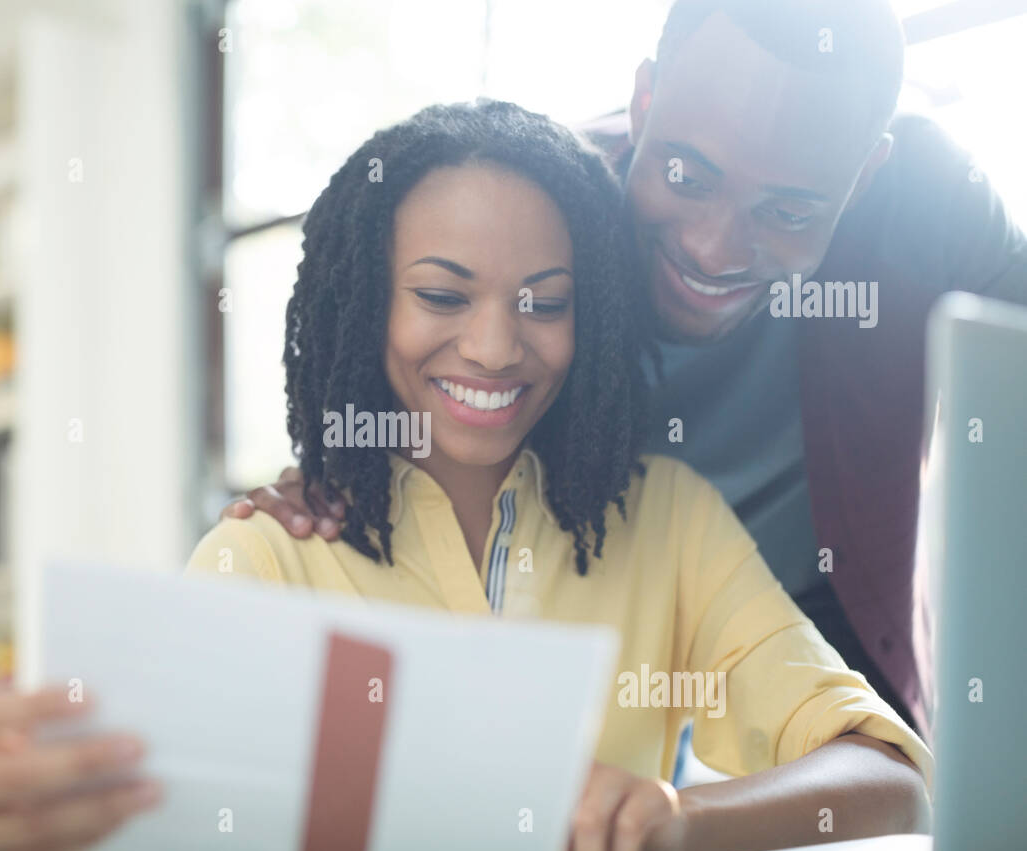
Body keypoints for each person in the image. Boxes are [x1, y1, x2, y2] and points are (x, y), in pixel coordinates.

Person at [226, 0, 1027, 742]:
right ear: (644, 102)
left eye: (787, 213)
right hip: (592, 623)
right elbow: (400, 362)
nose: (714, 250)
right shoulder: (539, 210)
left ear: (862, 177)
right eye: (688, 176)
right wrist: (346, 468)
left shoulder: (934, 203)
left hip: (826, 619)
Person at [187, 100, 930, 851]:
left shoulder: (666, 520)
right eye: (442, 295)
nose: (495, 347)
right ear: (364, 303)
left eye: (545, 303)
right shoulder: (266, 557)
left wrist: (679, 819)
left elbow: (891, 780)